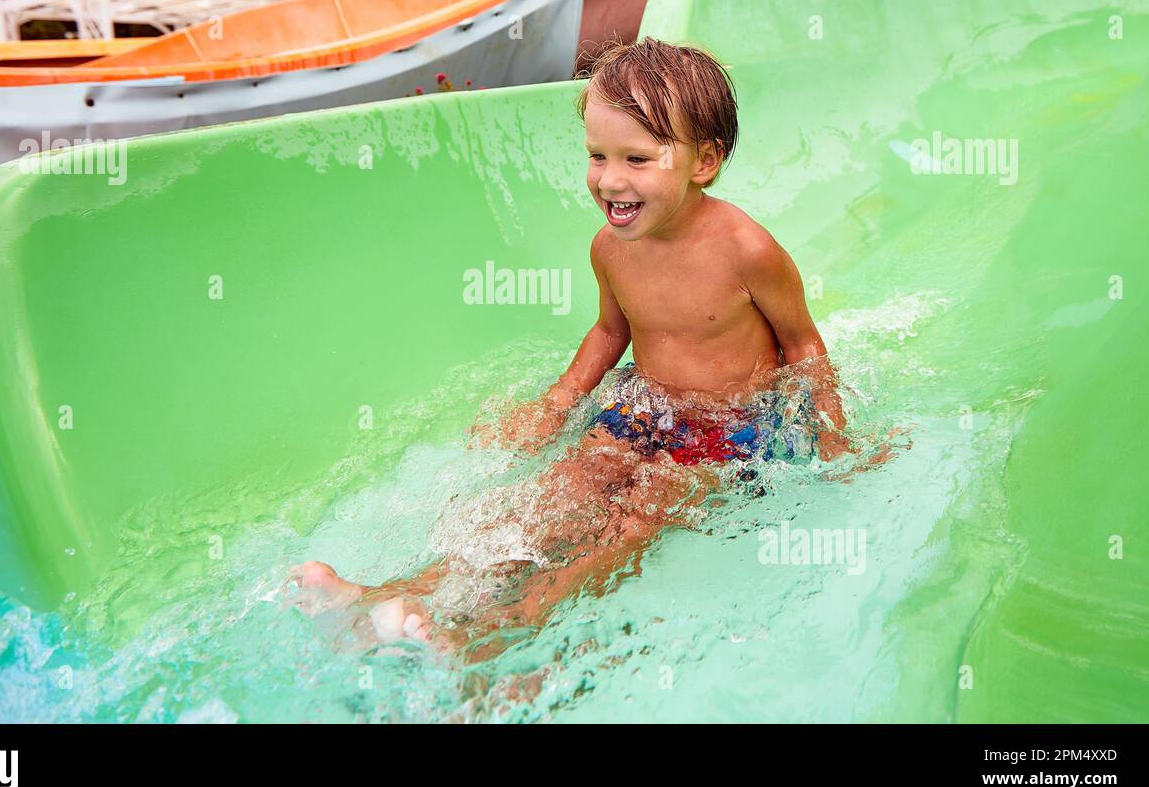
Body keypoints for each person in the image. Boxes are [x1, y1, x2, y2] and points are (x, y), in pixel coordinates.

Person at [290, 38, 867, 659]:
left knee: (630, 523)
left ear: (704, 161)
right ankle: (385, 600)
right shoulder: (611, 247)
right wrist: (559, 400)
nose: (610, 180)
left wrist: (829, 427)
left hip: (729, 429)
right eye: (597, 155)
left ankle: (483, 642)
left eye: (637, 159)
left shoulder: (747, 250)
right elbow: (610, 333)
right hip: (645, 409)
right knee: (557, 495)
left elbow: (802, 341)